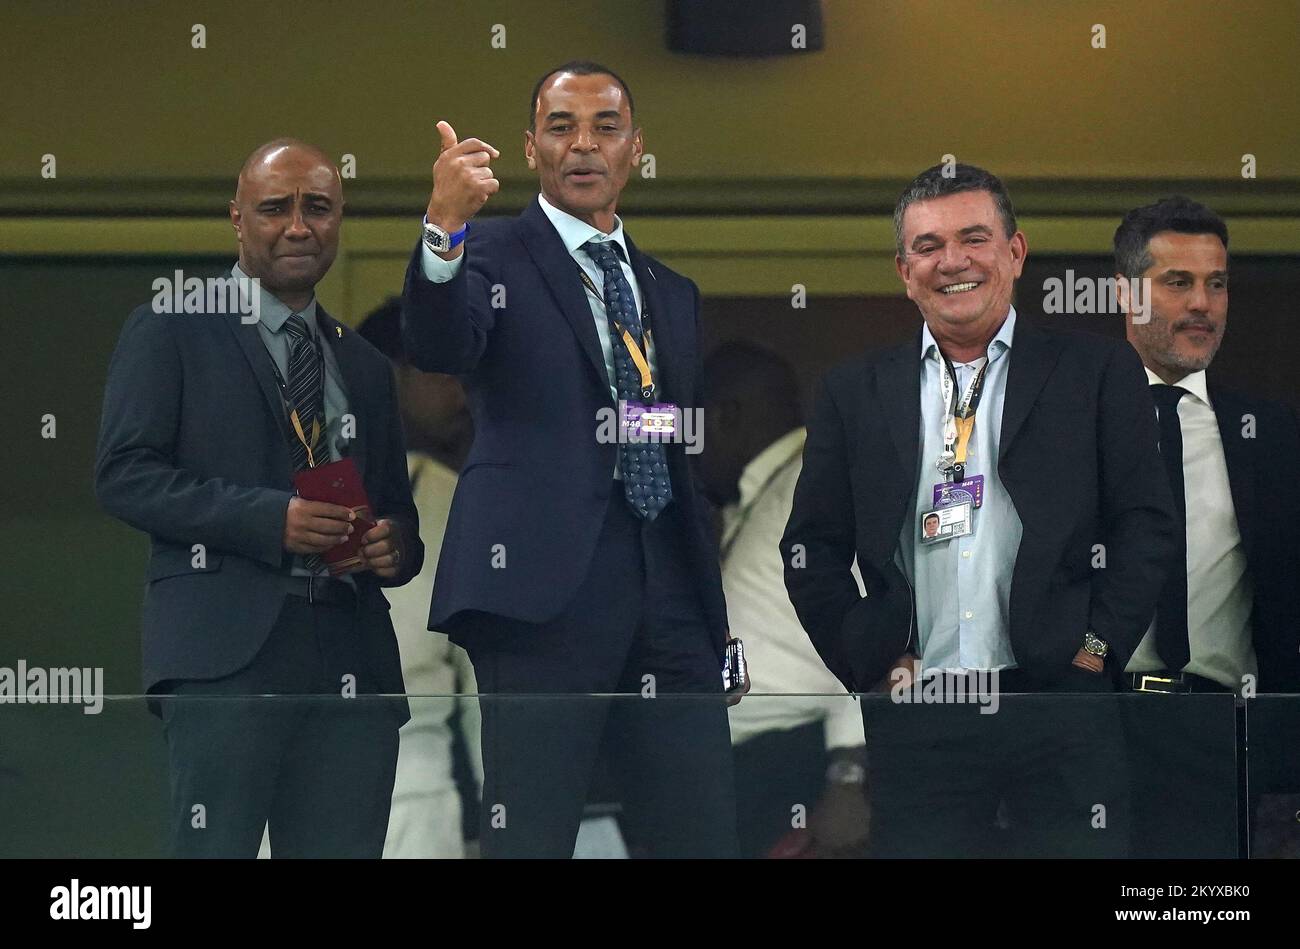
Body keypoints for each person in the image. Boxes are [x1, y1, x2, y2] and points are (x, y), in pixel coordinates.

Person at [782, 163, 1178, 857]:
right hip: (919, 711)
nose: (953, 261)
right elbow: (810, 549)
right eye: (929, 246)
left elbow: (1144, 525)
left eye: (974, 238)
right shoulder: (853, 389)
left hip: (1060, 700)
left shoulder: (1095, 371)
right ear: (904, 270)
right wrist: (870, 662)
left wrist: (1096, 650)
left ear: (1015, 252)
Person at [400, 61, 740, 858]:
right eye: (561, 126)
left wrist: (712, 617)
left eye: (606, 127)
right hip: (539, 589)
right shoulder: (487, 253)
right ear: (530, 148)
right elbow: (440, 342)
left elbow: (673, 444)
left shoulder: (669, 288)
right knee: (533, 834)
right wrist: (442, 226)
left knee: (700, 835)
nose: (584, 144)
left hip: (670, 590)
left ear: (635, 149)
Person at [94, 140, 423, 858]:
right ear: (237, 220)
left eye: (318, 208)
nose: (298, 227)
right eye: (275, 208)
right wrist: (269, 519)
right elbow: (123, 473)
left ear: (339, 220)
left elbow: (399, 508)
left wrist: (393, 543)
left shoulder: (363, 364)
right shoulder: (173, 323)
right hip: (227, 656)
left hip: (350, 655)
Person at [1114, 196, 1300, 857]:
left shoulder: (1271, 436)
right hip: (1084, 725)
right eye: (1178, 282)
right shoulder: (1066, 422)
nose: (1202, 303)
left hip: (1218, 732)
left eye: (1216, 284)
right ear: (1125, 293)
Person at [699, 341, 868, 859]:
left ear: (725, 417)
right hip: (753, 770)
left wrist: (848, 779)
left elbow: (878, 631)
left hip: (797, 768)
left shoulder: (815, 483)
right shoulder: (770, 492)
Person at [357, 298, 483, 858]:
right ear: (387, 375)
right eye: (445, 375)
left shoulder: (456, 497)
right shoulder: (282, 495)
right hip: (401, 808)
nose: (463, 395)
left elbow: (488, 691)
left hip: (417, 796)